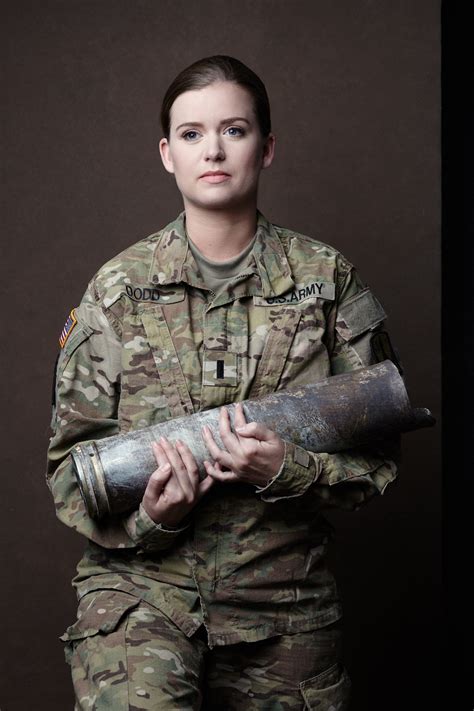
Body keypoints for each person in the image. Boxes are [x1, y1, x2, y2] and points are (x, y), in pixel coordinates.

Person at [47, 55, 400, 710]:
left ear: (266, 149)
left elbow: (379, 457)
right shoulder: (117, 288)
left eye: (234, 130)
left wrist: (286, 468)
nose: (212, 149)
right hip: (142, 589)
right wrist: (154, 515)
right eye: (192, 133)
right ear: (166, 153)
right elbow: (72, 470)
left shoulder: (328, 280)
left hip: (284, 601)